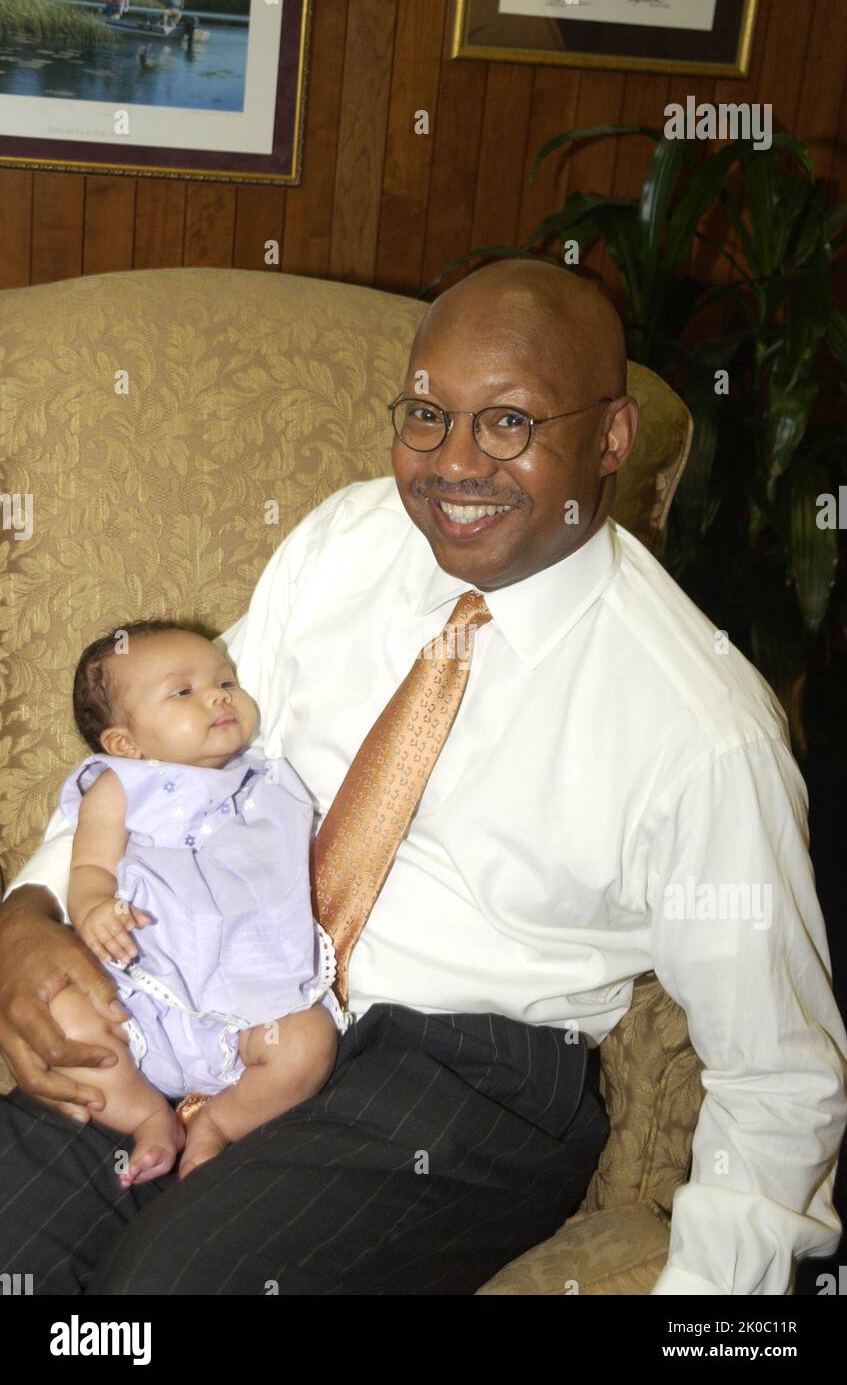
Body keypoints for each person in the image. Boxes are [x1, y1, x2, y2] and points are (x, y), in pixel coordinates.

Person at [0, 258, 845, 1296]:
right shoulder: (349, 538)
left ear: (612, 438)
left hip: (461, 1079)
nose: (452, 464)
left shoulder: (702, 729)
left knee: (170, 1290)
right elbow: (170, 757)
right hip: (212, 992)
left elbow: (777, 1074)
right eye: (425, 414)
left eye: (508, 423)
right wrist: (31, 916)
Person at [49, 620, 343, 1187]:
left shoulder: (269, 781)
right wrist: (93, 910)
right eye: (183, 691)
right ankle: (147, 1119)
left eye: (226, 682)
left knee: (309, 1042)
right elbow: (88, 866)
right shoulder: (123, 784)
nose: (218, 696)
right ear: (126, 745)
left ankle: (219, 1124)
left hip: (250, 1011)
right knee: (64, 1015)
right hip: (143, 996)